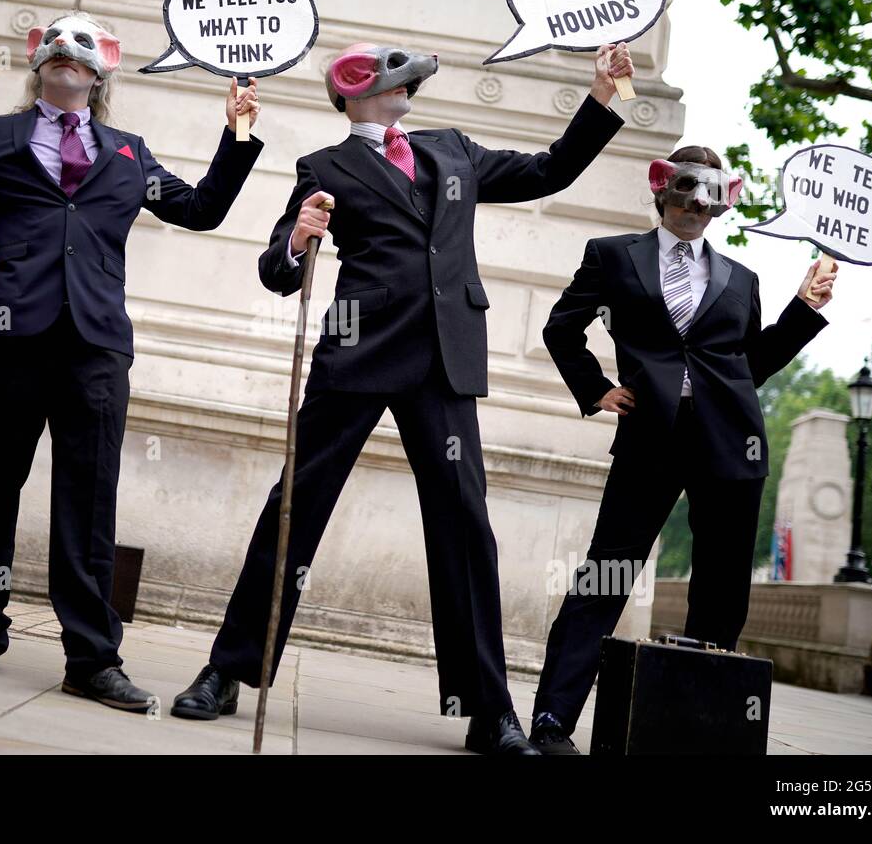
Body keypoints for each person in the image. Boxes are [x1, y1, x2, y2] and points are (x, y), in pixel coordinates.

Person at [170, 40, 635, 755]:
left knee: (465, 529)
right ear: (353, 94)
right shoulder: (322, 167)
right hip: (358, 355)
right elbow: (277, 273)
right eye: (388, 79)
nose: (405, 87)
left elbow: (549, 171)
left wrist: (602, 96)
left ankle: (490, 709)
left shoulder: (452, 148)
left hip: (445, 361)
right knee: (294, 507)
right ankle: (228, 670)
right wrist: (297, 238)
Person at [0, 12, 264, 713]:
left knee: (89, 499)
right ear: (39, 63)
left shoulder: (128, 152)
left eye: (85, 51)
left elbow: (200, 208)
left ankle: (92, 658)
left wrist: (237, 133)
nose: (69, 57)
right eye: (57, 48)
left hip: (96, 345)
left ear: (102, 73)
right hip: (11, 334)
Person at [528, 146, 837, 754]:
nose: (699, 205)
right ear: (661, 188)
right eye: (688, 190)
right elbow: (561, 329)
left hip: (731, 441)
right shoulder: (612, 256)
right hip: (650, 434)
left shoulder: (741, 280)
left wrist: (802, 310)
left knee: (722, 589)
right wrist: (596, 390)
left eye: (711, 195)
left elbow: (751, 367)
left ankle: (697, 733)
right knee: (607, 575)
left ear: (725, 200)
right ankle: (552, 721)